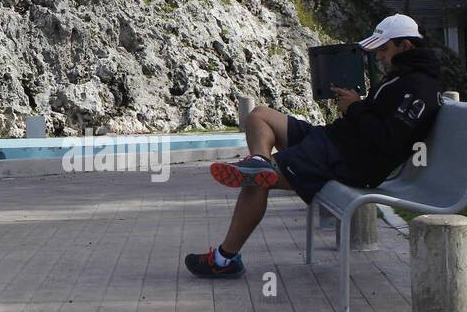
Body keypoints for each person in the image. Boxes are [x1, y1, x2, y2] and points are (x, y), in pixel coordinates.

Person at [184, 14, 442, 278]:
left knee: (258, 181)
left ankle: (224, 260)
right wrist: (357, 106)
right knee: (259, 116)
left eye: (384, 49)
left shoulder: (418, 88)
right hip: (334, 142)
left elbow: (386, 141)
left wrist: (354, 107)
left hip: (347, 162)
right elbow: (376, 123)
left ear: (406, 46)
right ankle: (259, 160)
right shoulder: (403, 77)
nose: (378, 57)